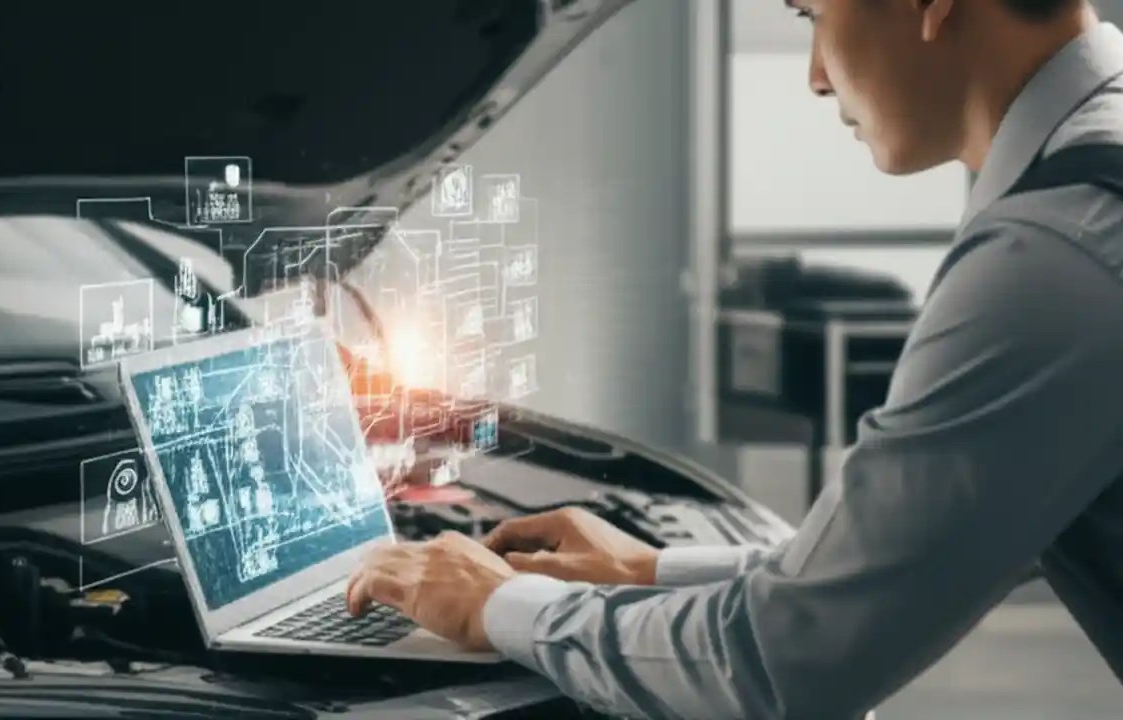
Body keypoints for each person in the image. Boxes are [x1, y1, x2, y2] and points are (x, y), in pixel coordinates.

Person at [347, 0, 1123, 717]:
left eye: (812, 13)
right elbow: (930, 546)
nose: (816, 76)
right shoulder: (1091, 174)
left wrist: (498, 606)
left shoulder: (1054, 254)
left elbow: (785, 661)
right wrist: (649, 573)